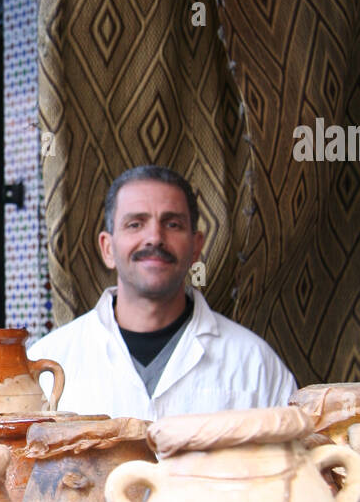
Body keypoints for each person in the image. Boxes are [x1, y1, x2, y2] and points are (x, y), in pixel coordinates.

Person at [28, 164, 297, 419]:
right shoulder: (49, 361)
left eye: (173, 224)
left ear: (195, 247)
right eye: (135, 224)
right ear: (108, 248)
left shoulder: (255, 364)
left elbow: (300, 463)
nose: (155, 237)